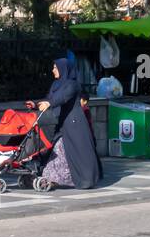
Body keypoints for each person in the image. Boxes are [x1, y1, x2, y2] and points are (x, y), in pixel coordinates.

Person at [28, 58, 101, 190]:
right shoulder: (57, 84)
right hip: (63, 123)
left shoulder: (72, 84)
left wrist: (50, 103)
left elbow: (63, 97)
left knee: (66, 150)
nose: (53, 70)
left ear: (63, 69)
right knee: (58, 149)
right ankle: (53, 177)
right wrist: (36, 104)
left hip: (74, 124)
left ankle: (74, 178)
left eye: (55, 68)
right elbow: (50, 98)